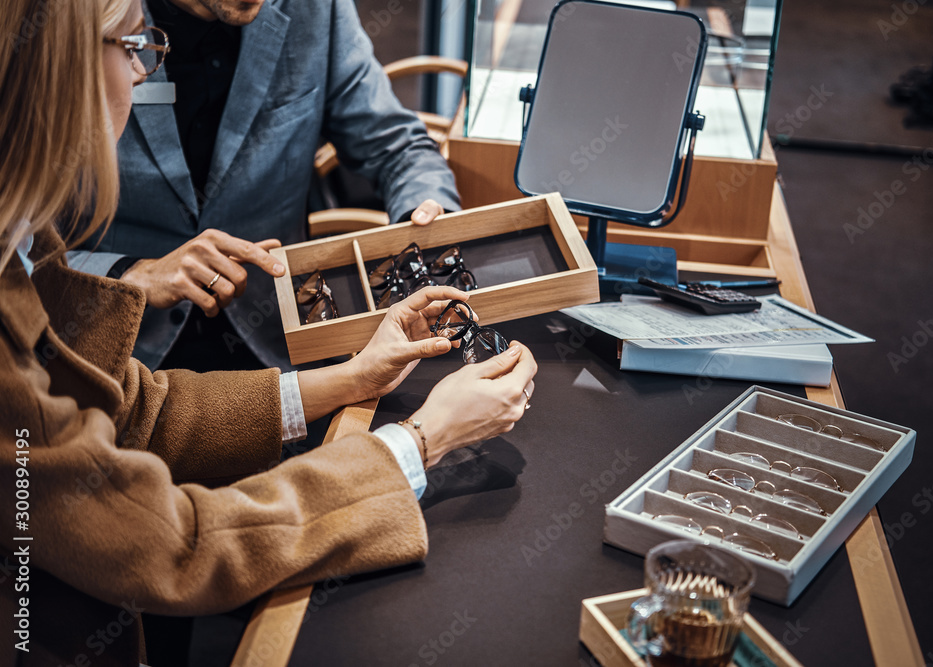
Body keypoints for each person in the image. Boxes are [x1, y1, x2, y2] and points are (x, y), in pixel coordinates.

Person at [0, 1, 536, 664]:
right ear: (59, 71)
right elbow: (177, 544)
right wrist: (424, 439)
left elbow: (134, 409)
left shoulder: (17, 250)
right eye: (134, 45)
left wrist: (351, 377)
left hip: (245, 358)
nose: (141, 71)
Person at [67, 0, 463, 374]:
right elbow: (16, 247)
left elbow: (395, 145)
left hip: (282, 341)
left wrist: (426, 209)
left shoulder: (313, 9)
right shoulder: (82, 19)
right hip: (114, 357)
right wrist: (130, 274)